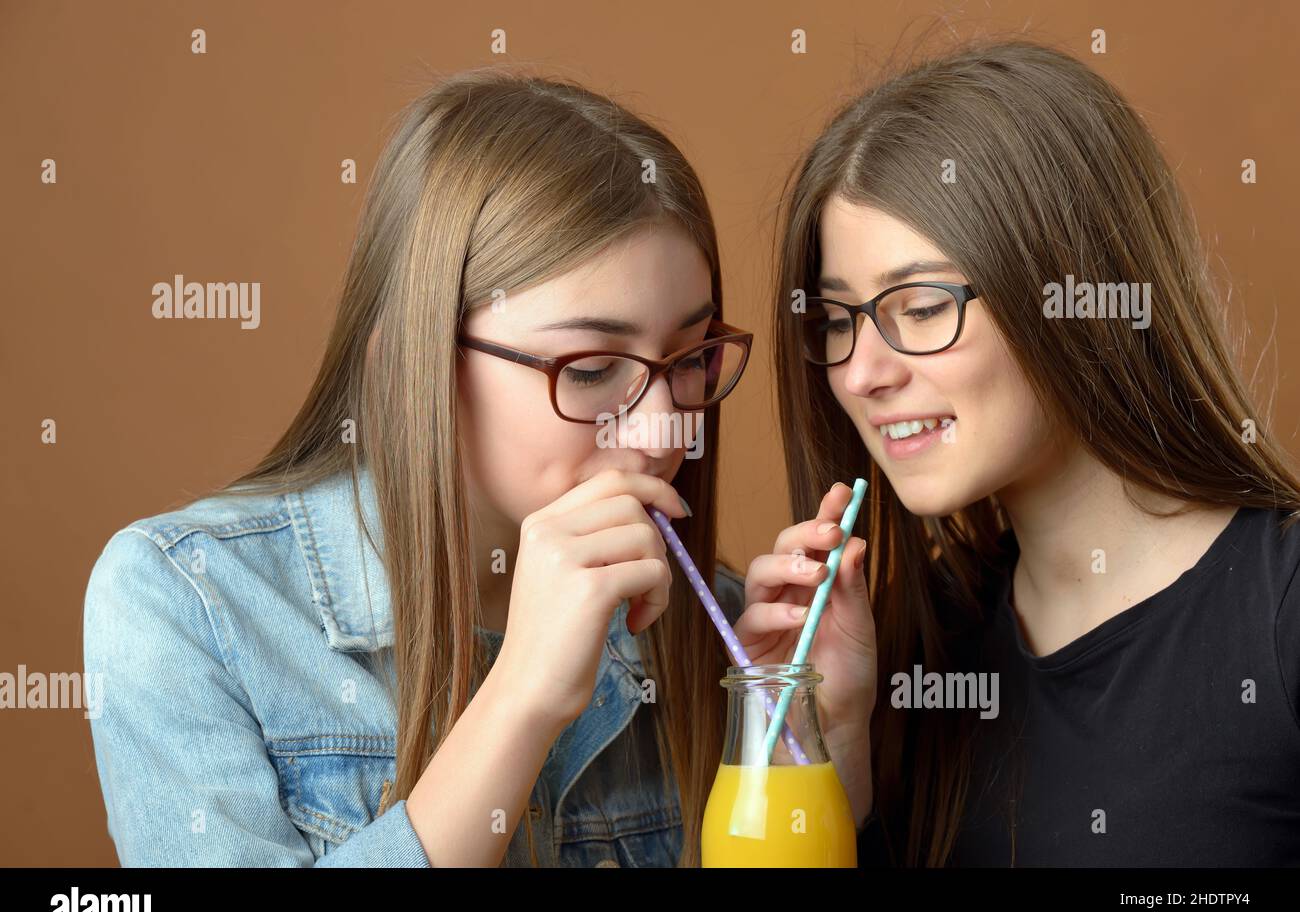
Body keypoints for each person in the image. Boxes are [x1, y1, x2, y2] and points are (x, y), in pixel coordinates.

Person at [83, 68, 766, 867]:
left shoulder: (723, 628)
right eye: (589, 369)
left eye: (690, 357)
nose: (664, 428)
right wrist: (521, 699)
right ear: (415, 365)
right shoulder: (189, 605)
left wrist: (826, 749)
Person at [736, 39, 1300, 865]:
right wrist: (838, 754)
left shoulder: (1282, 613)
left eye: (922, 306)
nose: (860, 373)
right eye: (835, 319)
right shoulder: (913, 659)